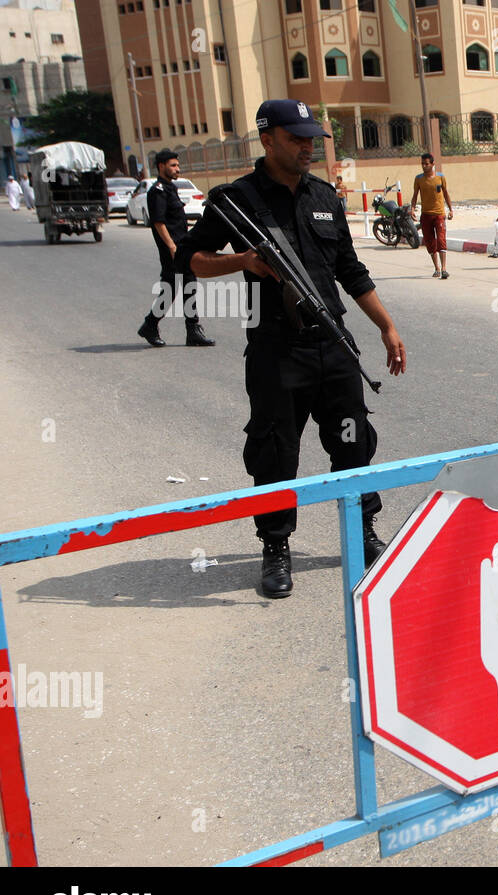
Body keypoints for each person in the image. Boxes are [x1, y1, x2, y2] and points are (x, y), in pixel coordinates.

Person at [174, 99, 408, 598]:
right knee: (275, 453)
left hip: (333, 344)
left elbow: (350, 271)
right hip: (276, 352)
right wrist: (242, 261)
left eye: (311, 140)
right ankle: (276, 547)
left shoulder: (324, 196)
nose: (307, 148)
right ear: (267, 140)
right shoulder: (235, 201)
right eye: (296, 138)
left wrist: (386, 327)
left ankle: (361, 530)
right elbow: (189, 259)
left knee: (352, 442)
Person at [138, 150, 215, 348]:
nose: (177, 169)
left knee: (189, 284)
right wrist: (172, 246)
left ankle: (193, 330)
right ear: (161, 166)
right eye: (173, 165)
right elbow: (158, 222)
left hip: (182, 246)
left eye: (177, 165)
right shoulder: (157, 191)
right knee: (171, 288)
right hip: (171, 249)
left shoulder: (170, 188)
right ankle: (150, 324)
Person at [411, 153, 453, 279]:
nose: (424, 166)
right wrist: (412, 209)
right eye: (422, 164)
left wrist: (451, 209)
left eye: (427, 164)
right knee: (430, 242)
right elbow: (415, 195)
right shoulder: (419, 179)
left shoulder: (440, 177)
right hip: (426, 215)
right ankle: (437, 268)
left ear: (433, 164)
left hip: (439, 214)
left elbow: (446, 193)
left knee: (441, 240)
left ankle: (444, 268)